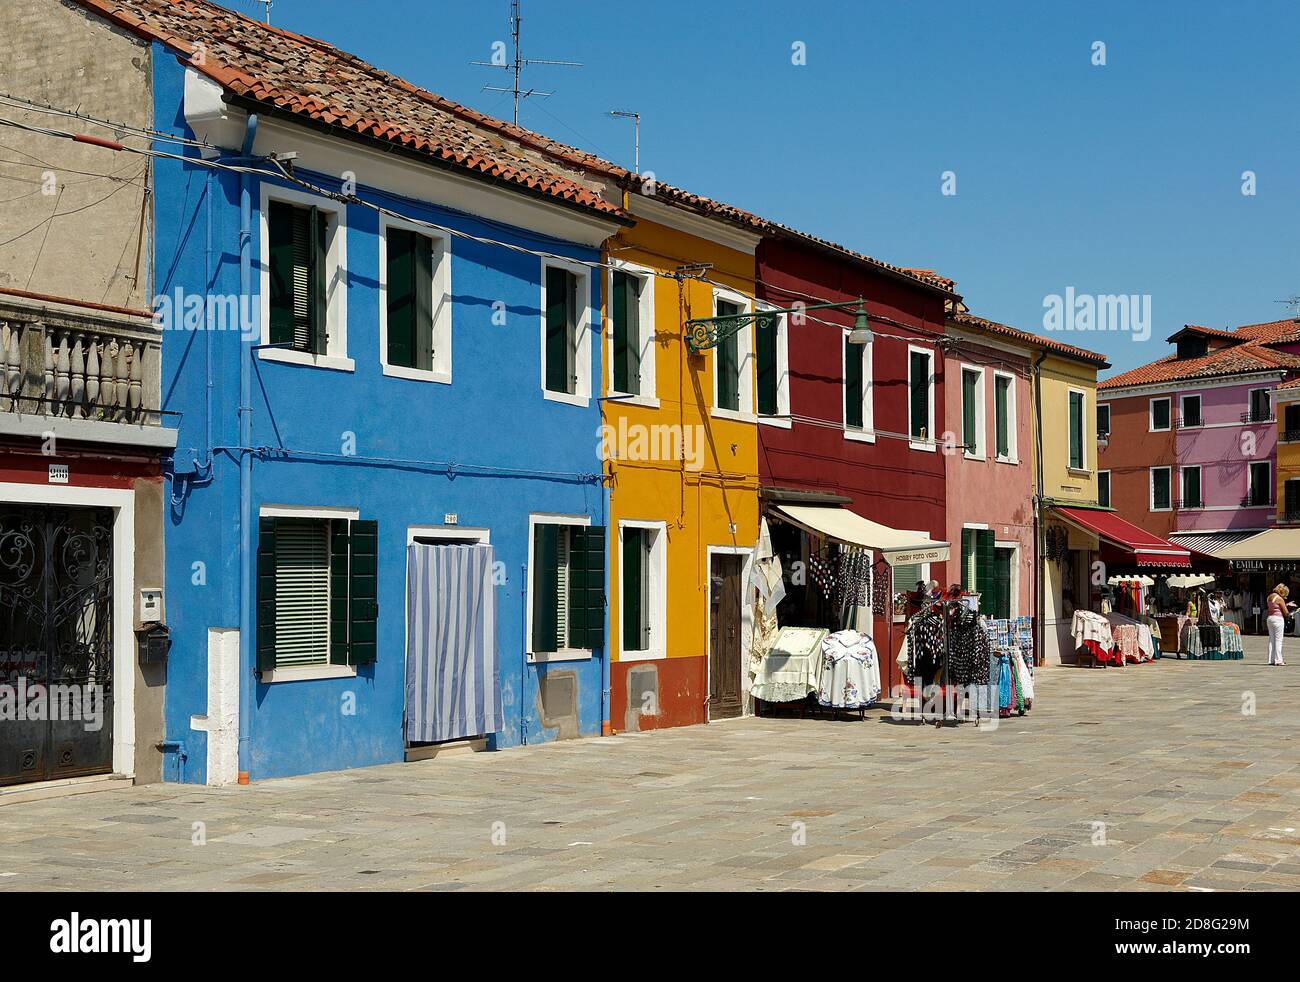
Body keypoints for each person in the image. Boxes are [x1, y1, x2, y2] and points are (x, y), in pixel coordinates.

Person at [1265, 584, 1294, 666]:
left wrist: (1286, 604)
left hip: (1270, 618)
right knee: (1278, 640)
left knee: (1272, 640)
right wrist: (1290, 610)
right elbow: (1286, 613)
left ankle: (1271, 659)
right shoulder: (1279, 599)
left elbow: (1275, 606)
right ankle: (1278, 660)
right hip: (1278, 619)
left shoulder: (1270, 597)